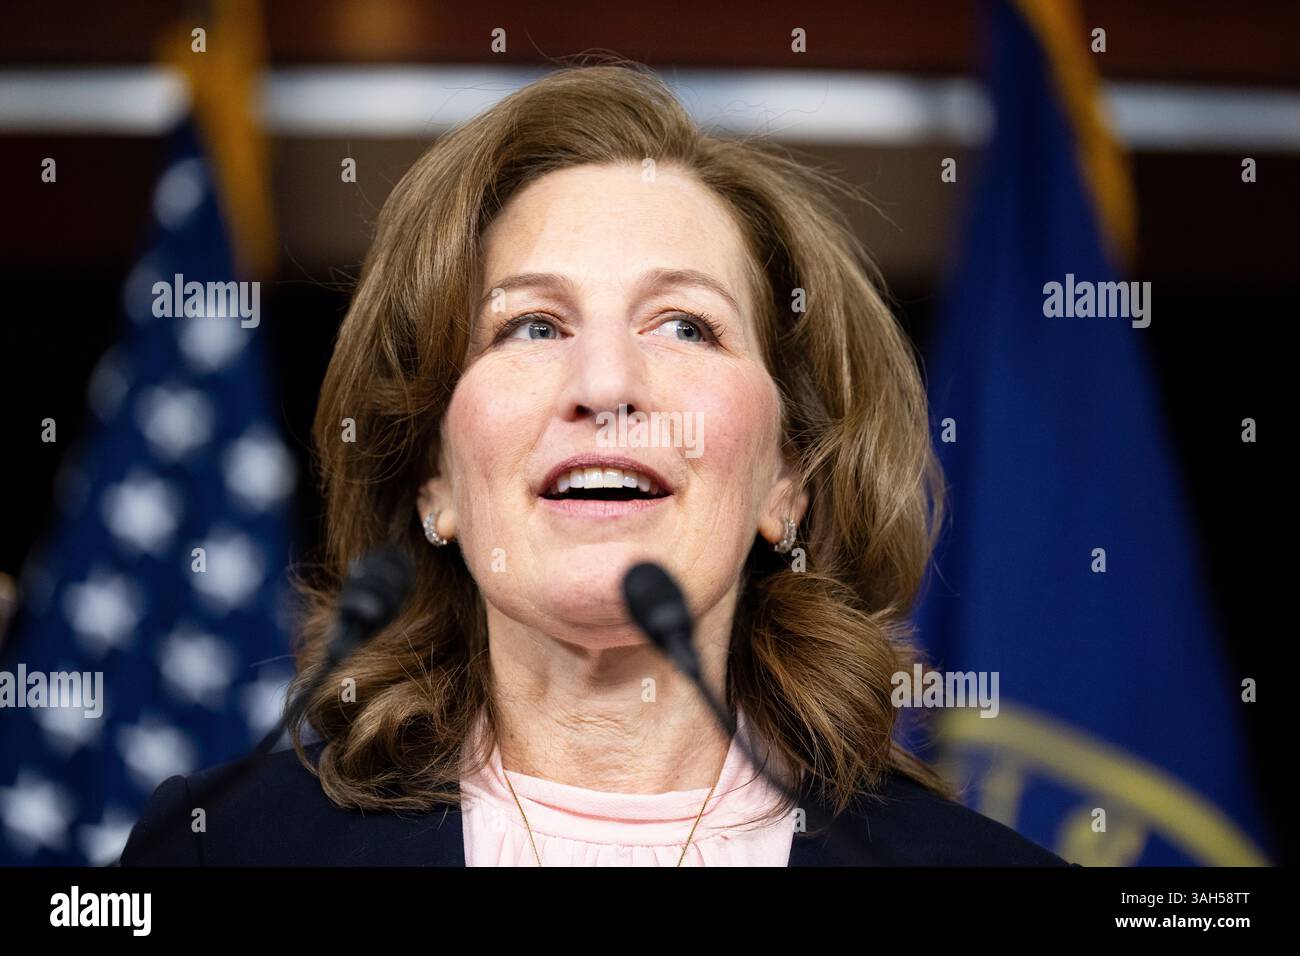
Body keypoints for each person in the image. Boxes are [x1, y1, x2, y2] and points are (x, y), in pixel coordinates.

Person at [120, 59, 1068, 867]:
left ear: (789, 479)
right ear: (433, 481)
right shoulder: (223, 851)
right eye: (532, 324)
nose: (606, 382)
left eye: (686, 325)